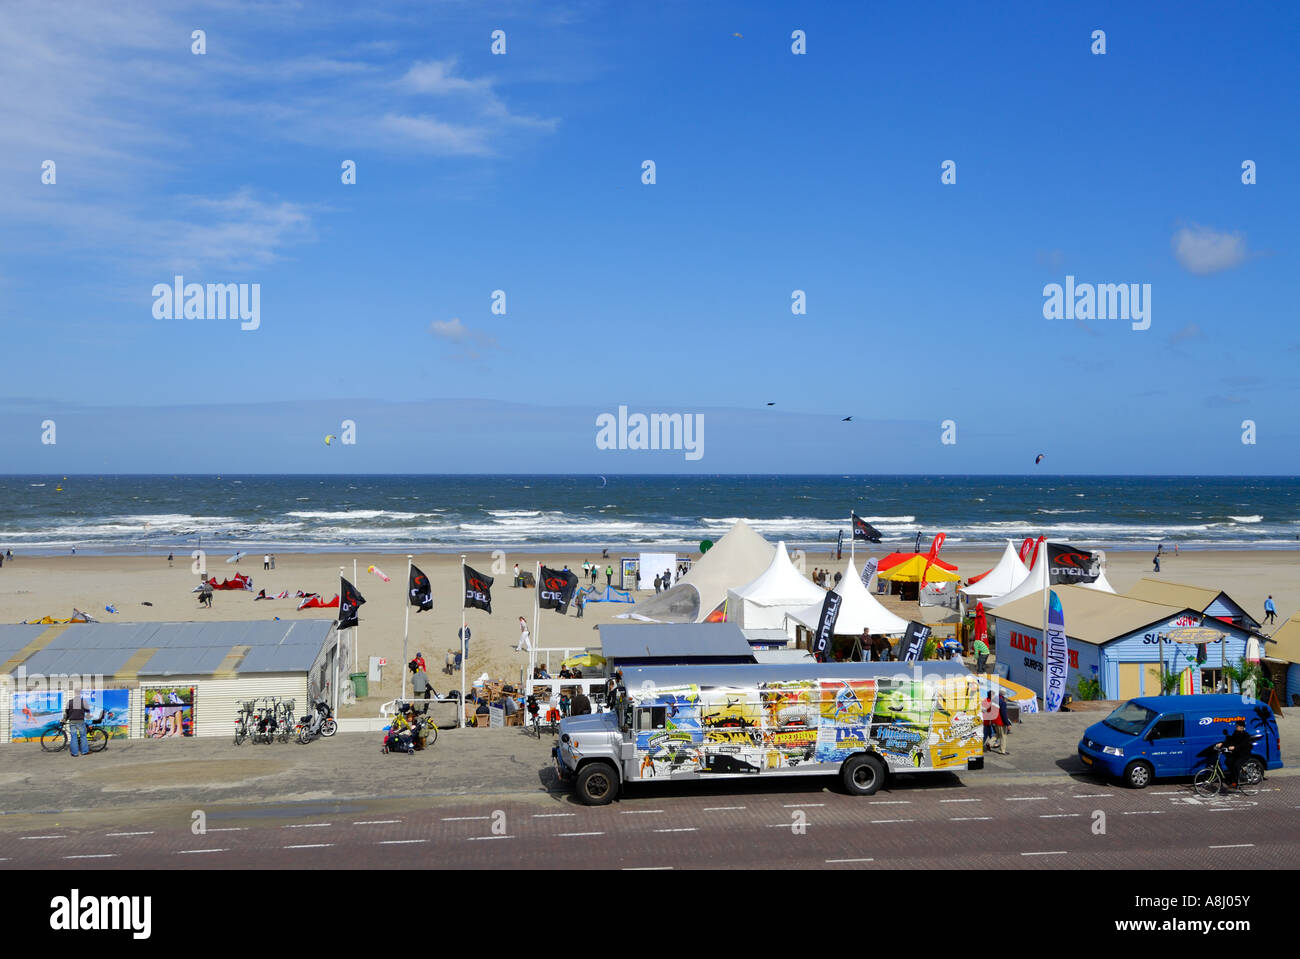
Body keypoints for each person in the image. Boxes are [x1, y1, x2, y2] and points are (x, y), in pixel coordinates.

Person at [1220, 720, 1255, 786]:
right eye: (1236, 726)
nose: (1236, 727)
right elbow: (1231, 741)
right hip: (1237, 754)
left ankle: (1240, 780)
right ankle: (1233, 779)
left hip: (1244, 754)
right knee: (1228, 761)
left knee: (1236, 765)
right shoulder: (1235, 733)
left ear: (1242, 727)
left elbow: (1243, 745)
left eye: (1237, 726)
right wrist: (1222, 744)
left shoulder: (1246, 735)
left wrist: (1234, 747)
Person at [64, 689, 92, 758]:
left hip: (72, 722)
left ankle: (74, 753)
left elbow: (66, 712)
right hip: (80, 721)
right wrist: (87, 715)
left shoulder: (69, 702)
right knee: (83, 736)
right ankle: (84, 751)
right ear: (80, 693)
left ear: (74, 693)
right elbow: (88, 710)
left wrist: (65, 719)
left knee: (73, 737)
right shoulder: (83, 701)